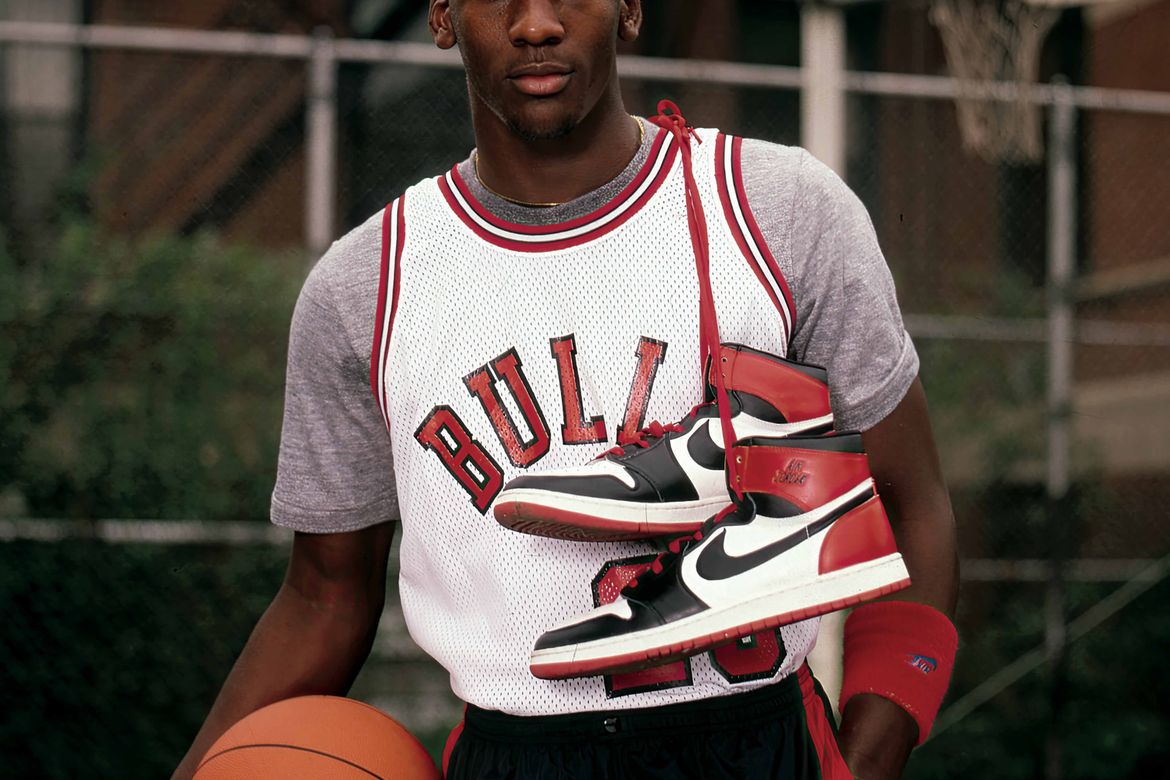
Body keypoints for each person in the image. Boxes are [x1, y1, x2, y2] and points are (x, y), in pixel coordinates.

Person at [173, 1, 959, 778]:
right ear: (442, 17)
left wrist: (871, 754)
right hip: (518, 754)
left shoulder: (775, 207)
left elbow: (908, 501)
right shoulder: (366, 285)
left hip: (758, 735)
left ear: (630, 8)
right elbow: (324, 597)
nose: (536, 24)